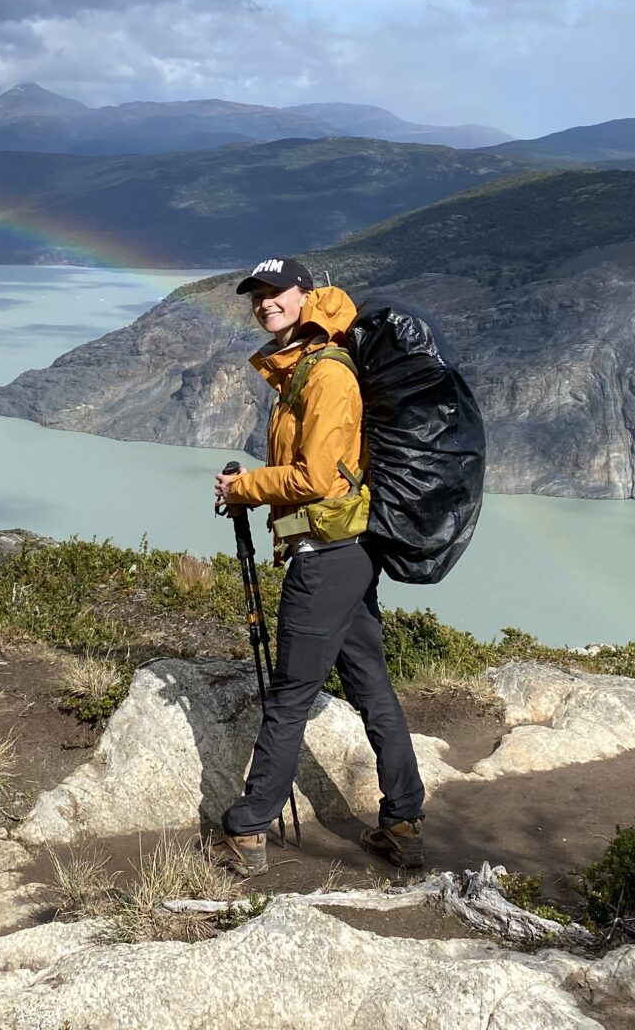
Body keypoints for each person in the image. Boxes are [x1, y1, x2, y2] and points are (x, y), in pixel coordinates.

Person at [205, 256, 426, 878]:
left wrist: (245, 488)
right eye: (257, 295)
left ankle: (247, 831)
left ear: (307, 295)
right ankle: (404, 822)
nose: (265, 302)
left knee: (290, 694)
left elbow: (317, 477)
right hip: (346, 557)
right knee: (371, 687)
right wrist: (254, 485)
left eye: (277, 292)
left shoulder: (326, 375)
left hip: (326, 560)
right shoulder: (302, 370)